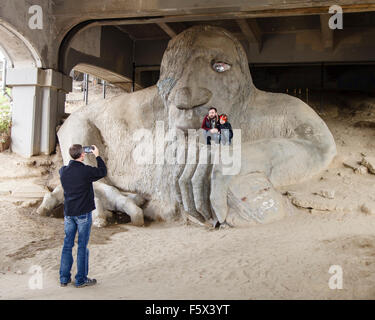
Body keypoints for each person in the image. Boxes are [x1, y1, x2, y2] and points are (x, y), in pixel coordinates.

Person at [59, 144, 107, 288]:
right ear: (82, 155)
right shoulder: (85, 171)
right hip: (83, 214)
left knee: (67, 245)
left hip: (69, 214)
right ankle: (80, 279)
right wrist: (97, 155)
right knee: (82, 246)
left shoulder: (63, 171)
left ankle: (64, 278)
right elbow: (102, 171)